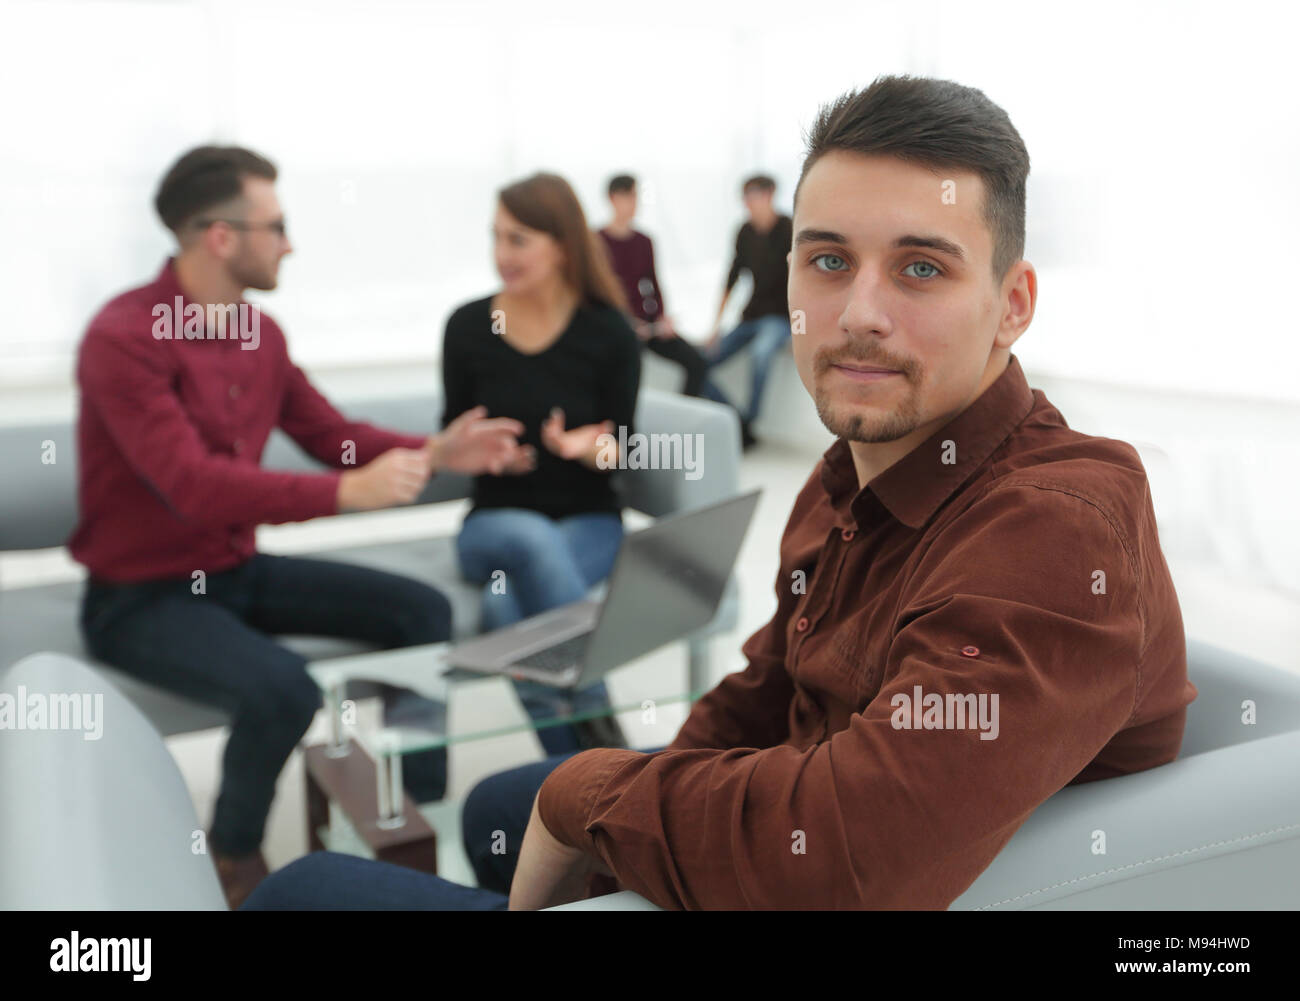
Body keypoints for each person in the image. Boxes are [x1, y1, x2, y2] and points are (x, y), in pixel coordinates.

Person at [242, 74, 1197, 911]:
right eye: (828, 261)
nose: (859, 314)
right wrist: (606, 792)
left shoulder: (1060, 523)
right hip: (786, 813)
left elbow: (835, 862)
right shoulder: (843, 481)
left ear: (1013, 304)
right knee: (502, 804)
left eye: (920, 267)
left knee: (302, 890)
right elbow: (760, 695)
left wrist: (585, 799)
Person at [70, 146, 524, 909]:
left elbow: (329, 432)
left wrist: (435, 450)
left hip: (237, 570)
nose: (290, 241)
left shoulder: (259, 333)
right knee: (283, 689)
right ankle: (232, 853)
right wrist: (346, 492)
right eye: (276, 225)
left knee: (424, 611)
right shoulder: (123, 338)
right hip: (140, 596)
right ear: (220, 235)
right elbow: (193, 485)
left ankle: (412, 816)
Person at [440, 172, 641, 757]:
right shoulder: (469, 327)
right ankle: (609, 753)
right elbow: (450, 436)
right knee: (529, 541)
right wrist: (478, 452)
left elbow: (622, 448)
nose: (502, 255)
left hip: (591, 523)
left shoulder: (608, 332)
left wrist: (587, 448)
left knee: (507, 606)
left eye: (519, 239)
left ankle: (570, 784)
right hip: (493, 524)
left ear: (562, 244)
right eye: (496, 237)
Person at [596, 174, 716, 400]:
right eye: (629, 196)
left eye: (636, 196)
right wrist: (626, 323)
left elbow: (652, 284)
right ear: (613, 198)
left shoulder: (644, 241)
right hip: (618, 326)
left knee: (697, 362)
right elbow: (596, 291)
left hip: (649, 326)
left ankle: (683, 422)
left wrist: (661, 317)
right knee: (628, 371)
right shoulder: (596, 241)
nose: (634, 202)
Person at [700, 175, 795, 448]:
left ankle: (750, 421)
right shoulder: (744, 231)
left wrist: (802, 328)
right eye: (746, 197)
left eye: (754, 195)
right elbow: (731, 279)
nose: (749, 203)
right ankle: (737, 420)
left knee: (762, 353)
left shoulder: (789, 228)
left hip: (779, 319)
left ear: (770, 195)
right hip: (750, 316)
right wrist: (715, 327)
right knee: (701, 362)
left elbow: (805, 283)